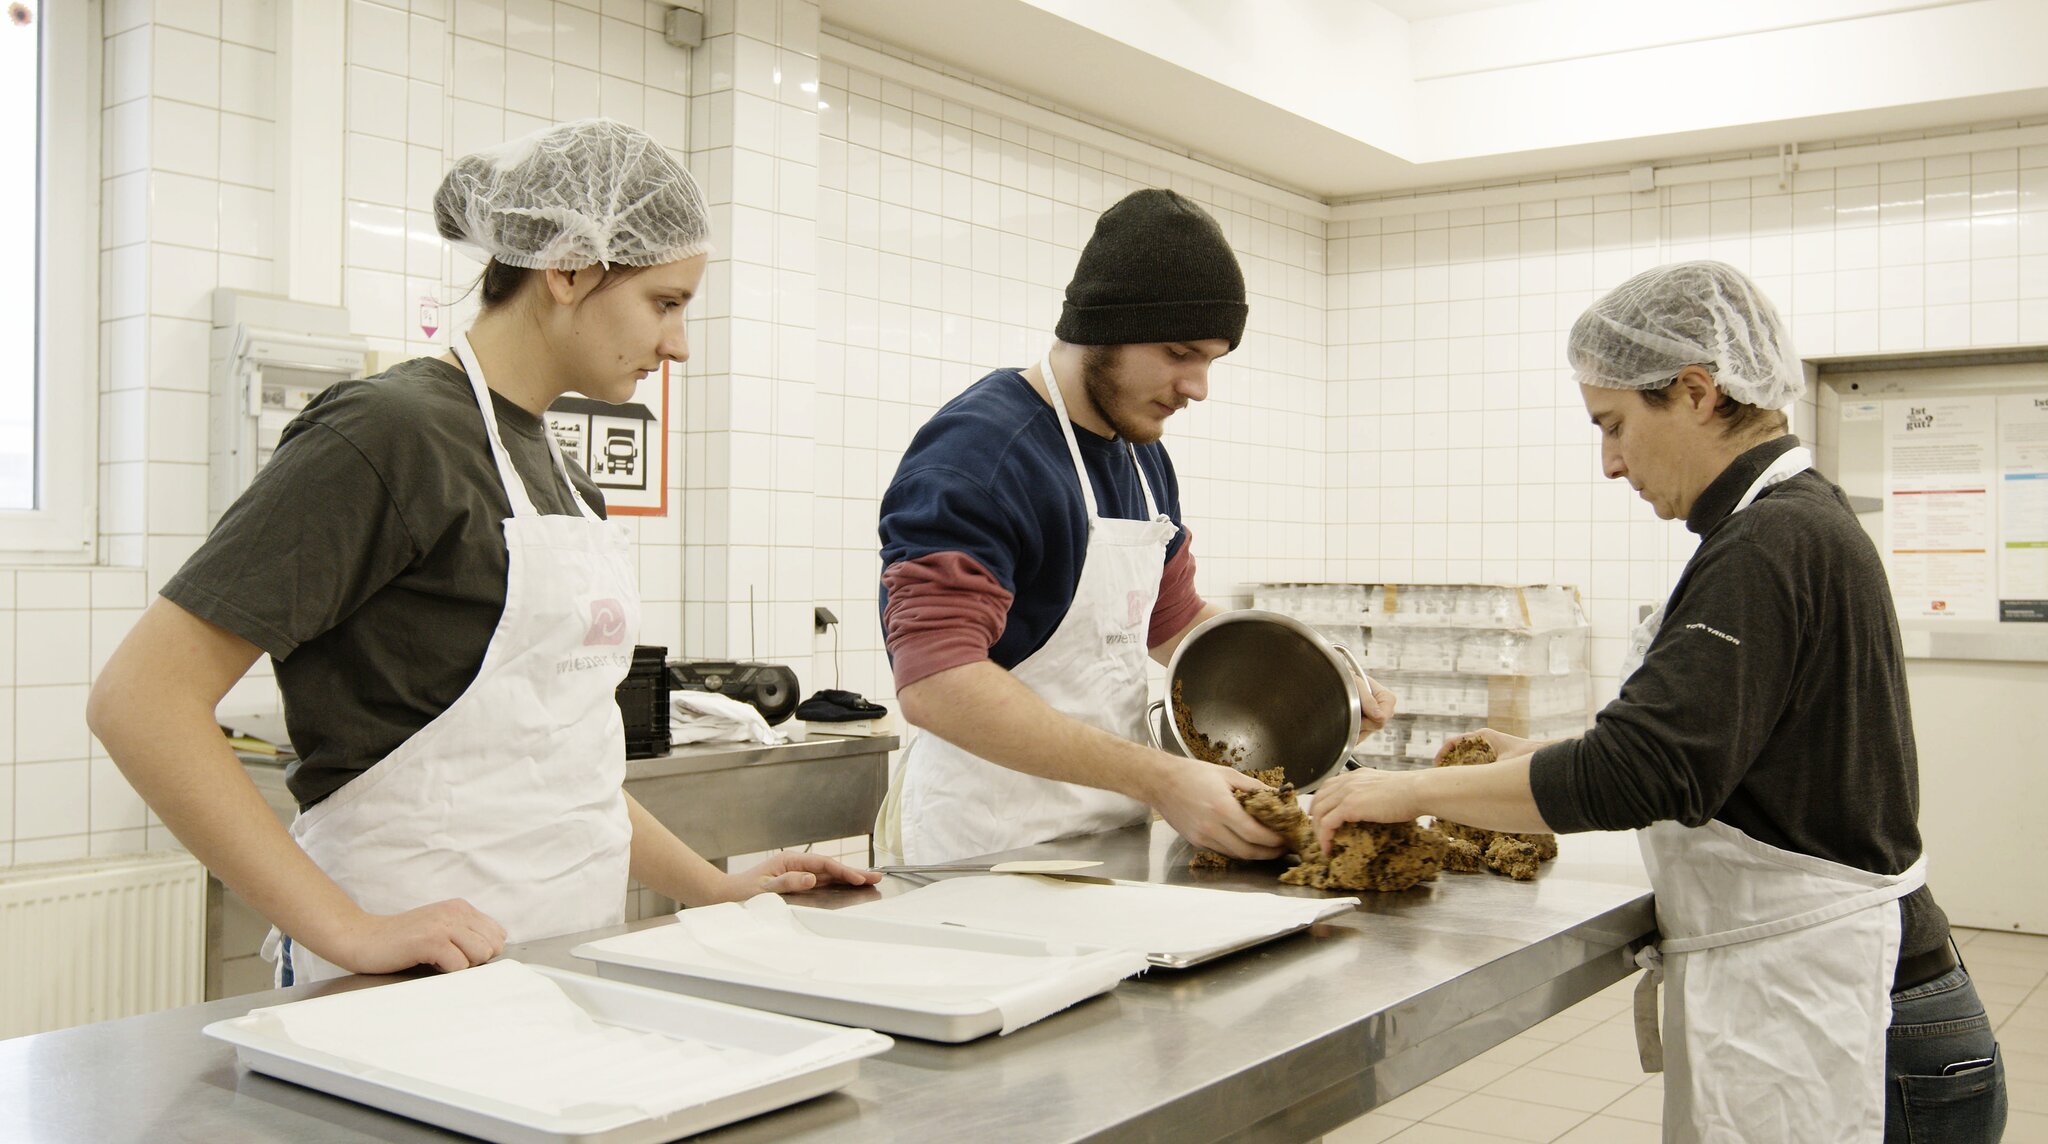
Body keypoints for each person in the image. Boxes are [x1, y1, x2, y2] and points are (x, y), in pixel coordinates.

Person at [87, 119, 877, 986]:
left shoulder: (566, 473)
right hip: (404, 988)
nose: (679, 344)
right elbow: (140, 701)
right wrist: (348, 932)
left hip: (555, 965)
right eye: (666, 303)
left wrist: (715, 892)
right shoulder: (388, 434)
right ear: (569, 269)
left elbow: (556, 768)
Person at [1310, 260, 2006, 1143]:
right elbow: (1716, 746)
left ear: (1695, 392)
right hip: (1851, 991)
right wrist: (1532, 759)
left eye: (1614, 426)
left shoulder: (1770, 541)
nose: (1609, 463)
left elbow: (1644, 771)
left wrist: (1399, 791)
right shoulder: (1789, 524)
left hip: (1867, 1017)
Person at [872, 188, 1393, 866]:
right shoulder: (979, 456)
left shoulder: (1142, 458)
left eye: (1211, 359)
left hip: (1100, 844)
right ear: (1102, 329)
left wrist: (1320, 690)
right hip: (979, 853)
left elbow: (1172, 626)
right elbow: (937, 685)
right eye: (1180, 352)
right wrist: (1162, 776)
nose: (1198, 386)